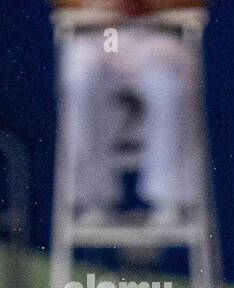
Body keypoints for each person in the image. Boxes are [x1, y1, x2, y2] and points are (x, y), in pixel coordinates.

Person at [56, 0, 204, 225]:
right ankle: (93, 200)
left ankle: (168, 200)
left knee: (167, 86)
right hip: (99, 33)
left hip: (155, 33)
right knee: (81, 78)